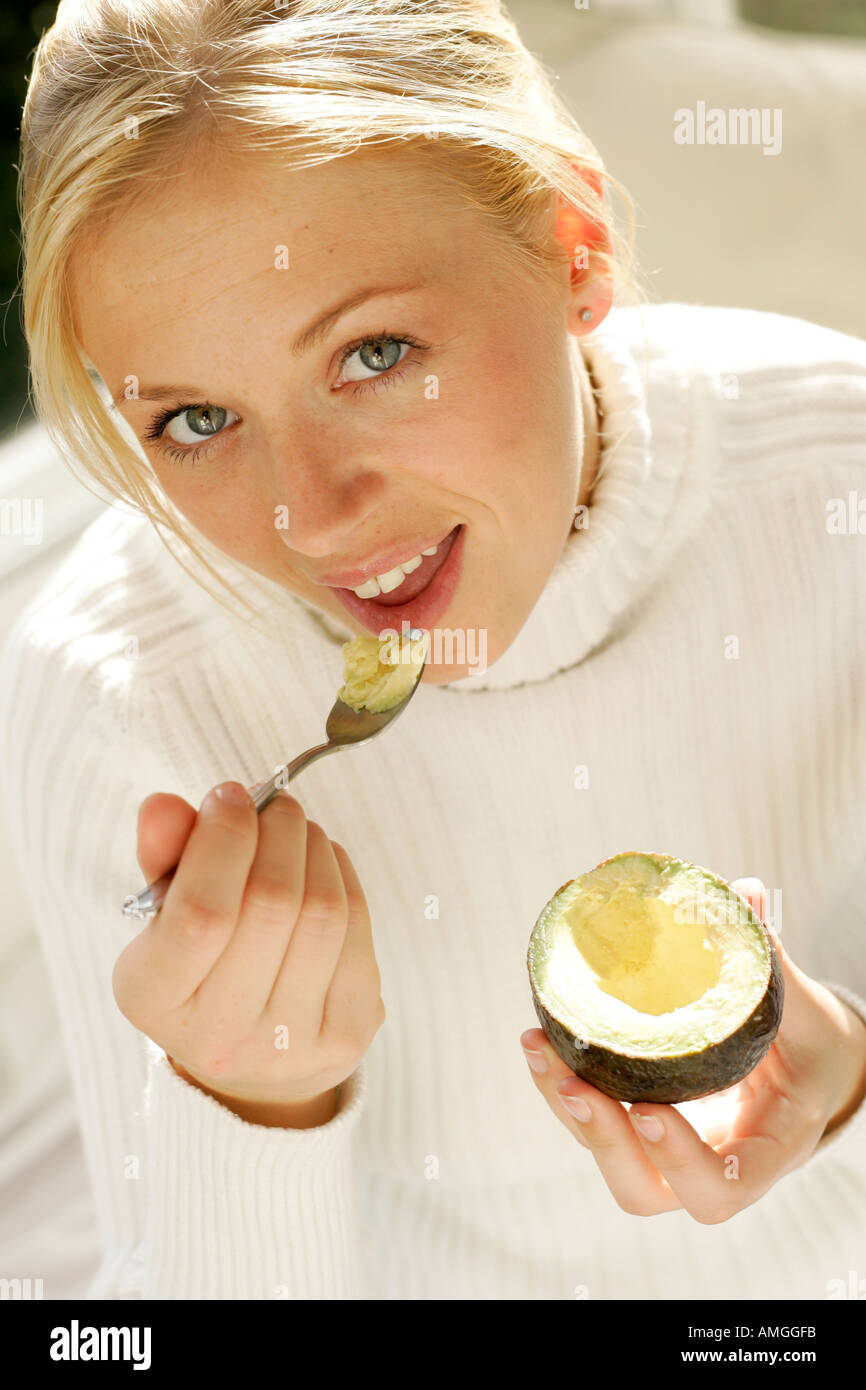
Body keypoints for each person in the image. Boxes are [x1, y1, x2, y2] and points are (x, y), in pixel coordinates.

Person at [1, 0, 865, 1300]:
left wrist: (850, 1078)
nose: (314, 515)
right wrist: (252, 1106)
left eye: (374, 353)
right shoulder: (118, 696)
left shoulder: (835, 488)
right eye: (194, 419)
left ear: (573, 247)